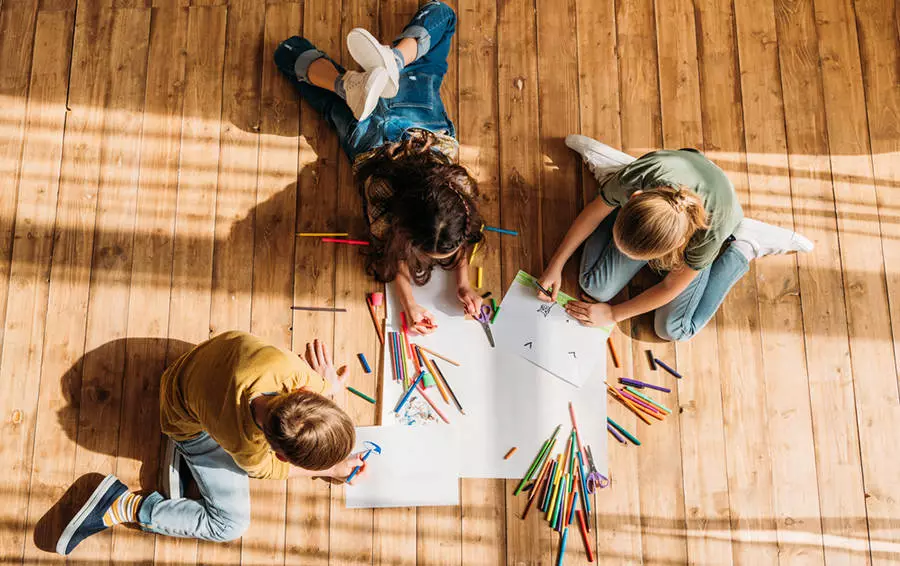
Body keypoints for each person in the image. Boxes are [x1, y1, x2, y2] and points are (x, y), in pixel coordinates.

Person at [274, 1, 485, 335]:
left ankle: (392, 63)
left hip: (421, 114)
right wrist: (410, 301)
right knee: (288, 54)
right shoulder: (380, 194)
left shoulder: (460, 186)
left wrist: (460, 285)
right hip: (369, 131)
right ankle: (346, 85)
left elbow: (410, 241)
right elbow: (389, 249)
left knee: (442, 15)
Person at [55, 331, 363, 555]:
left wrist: (329, 385)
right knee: (230, 525)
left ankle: (186, 466)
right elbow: (269, 471)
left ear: (307, 391)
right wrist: (331, 470)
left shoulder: (288, 369)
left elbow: (313, 394)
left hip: (191, 370)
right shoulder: (246, 446)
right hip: (182, 421)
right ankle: (123, 505)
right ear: (280, 454)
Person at [539, 135, 814, 341]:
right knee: (594, 286)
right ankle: (616, 174)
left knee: (674, 330)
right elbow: (594, 213)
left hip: (715, 222)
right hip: (661, 182)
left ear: (672, 251)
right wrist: (556, 264)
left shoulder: (706, 236)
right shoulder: (644, 177)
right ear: (634, 199)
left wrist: (613, 314)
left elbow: (670, 286)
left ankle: (744, 246)